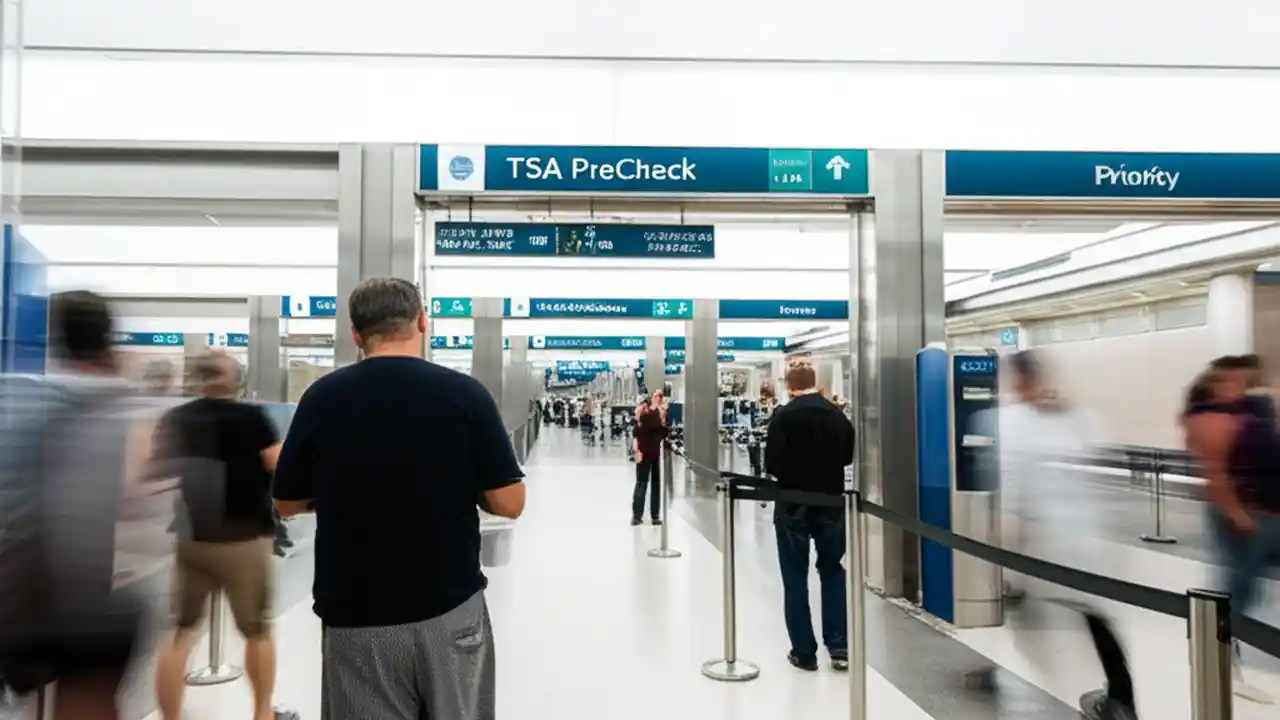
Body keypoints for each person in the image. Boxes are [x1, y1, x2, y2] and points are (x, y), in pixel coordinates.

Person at [272, 277, 525, 720]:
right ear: (422, 321)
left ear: (356, 335)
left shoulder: (321, 398)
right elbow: (510, 502)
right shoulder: (465, 395)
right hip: (449, 607)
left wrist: (340, 490)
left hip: (356, 617)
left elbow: (287, 503)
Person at [0, 291, 162, 720]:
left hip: (16, 597)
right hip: (91, 603)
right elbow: (143, 496)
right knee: (89, 696)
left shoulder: (13, 398)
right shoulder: (125, 406)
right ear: (107, 336)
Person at [993, 350, 1136, 720]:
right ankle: (1121, 698)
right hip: (1085, 535)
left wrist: (1008, 538)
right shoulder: (1081, 418)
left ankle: (1028, 686)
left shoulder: (1011, 422)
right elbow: (1107, 472)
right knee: (1095, 616)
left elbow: (1011, 484)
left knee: (1029, 615)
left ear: (1018, 380)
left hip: (1043, 539)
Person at [151, 353, 282, 720]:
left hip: (192, 538)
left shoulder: (178, 417)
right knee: (257, 630)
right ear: (234, 380)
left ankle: (171, 716)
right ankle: (262, 713)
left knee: (181, 632)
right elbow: (276, 462)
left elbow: (157, 467)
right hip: (244, 539)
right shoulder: (251, 418)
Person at [1183, 362, 1280, 704]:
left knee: (1245, 587)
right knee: (1236, 588)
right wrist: (1238, 515)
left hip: (1266, 514)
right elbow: (1215, 475)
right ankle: (1225, 660)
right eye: (1230, 382)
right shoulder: (1212, 421)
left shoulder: (1250, 413)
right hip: (1246, 515)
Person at [764, 363, 855, 672]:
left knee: (795, 578)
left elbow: (773, 464)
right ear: (816, 384)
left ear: (790, 387)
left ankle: (804, 652)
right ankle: (840, 646)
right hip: (830, 504)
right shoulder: (837, 415)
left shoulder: (784, 416)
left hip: (792, 506)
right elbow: (847, 457)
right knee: (832, 571)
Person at [631, 393, 668, 526]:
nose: (659, 399)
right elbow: (641, 428)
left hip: (655, 453)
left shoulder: (659, 413)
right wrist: (636, 450)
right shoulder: (646, 412)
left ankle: (655, 515)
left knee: (656, 484)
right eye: (656, 396)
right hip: (644, 452)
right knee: (641, 483)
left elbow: (663, 432)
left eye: (661, 396)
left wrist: (662, 417)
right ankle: (636, 515)